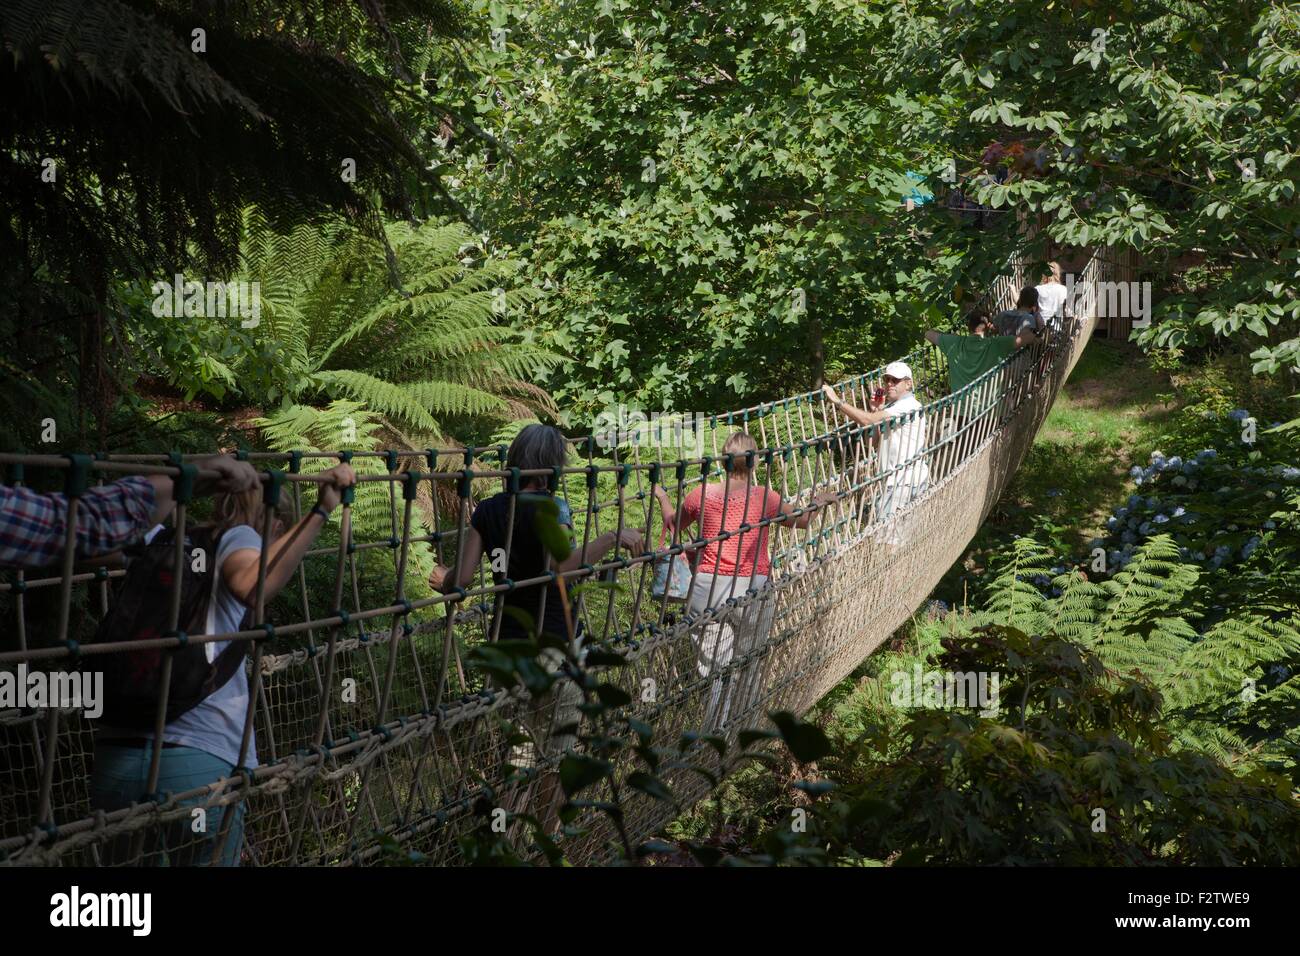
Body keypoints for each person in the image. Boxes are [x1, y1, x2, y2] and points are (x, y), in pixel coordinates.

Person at [90, 462, 356, 866]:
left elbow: (87, 546)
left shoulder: (161, 537)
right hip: (196, 765)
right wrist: (320, 511)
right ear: (275, 525)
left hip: (116, 761)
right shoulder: (241, 536)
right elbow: (252, 585)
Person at [427, 424, 644, 822]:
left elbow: (462, 579)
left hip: (506, 648)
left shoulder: (488, 510)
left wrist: (443, 578)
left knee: (518, 757)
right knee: (556, 760)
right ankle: (548, 843)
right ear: (552, 467)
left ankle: (505, 840)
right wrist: (612, 537)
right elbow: (561, 568)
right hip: (553, 647)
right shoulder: (552, 507)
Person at [654, 430, 833, 733]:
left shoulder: (702, 494)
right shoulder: (765, 497)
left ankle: (713, 735)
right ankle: (741, 731)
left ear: (723, 461)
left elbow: (673, 526)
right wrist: (819, 501)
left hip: (708, 590)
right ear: (755, 463)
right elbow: (801, 521)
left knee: (714, 670)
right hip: (752, 589)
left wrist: (663, 498)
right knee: (748, 665)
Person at [0, 456, 260, 569]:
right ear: (277, 528)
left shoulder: (170, 544)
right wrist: (183, 481)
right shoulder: (241, 543)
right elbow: (58, 528)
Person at [822, 361, 929, 534]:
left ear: (908, 383)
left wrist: (837, 401)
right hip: (902, 480)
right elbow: (872, 442)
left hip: (902, 483)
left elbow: (866, 421)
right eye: (887, 379)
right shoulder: (891, 409)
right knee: (901, 542)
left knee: (887, 544)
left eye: (895, 380)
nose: (889, 384)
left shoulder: (907, 406)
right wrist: (876, 411)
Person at [925, 310, 1040, 395]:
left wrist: (950, 337)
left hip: (960, 410)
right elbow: (1026, 337)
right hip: (989, 412)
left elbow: (928, 334)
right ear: (988, 327)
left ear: (968, 326)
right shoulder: (997, 344)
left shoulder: (954, 343)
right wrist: (1035, 337)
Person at [1035, 262, 1069, 332]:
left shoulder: (1037, 289)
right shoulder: (1063, 289)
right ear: (1057, 274)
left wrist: (1013, 290)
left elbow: (1025, 306)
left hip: (1040, 327)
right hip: (1057, 327)